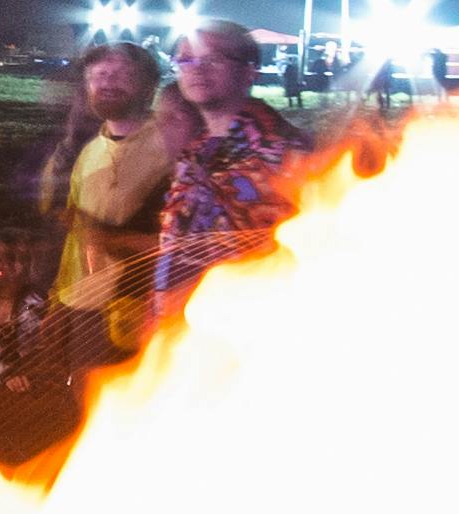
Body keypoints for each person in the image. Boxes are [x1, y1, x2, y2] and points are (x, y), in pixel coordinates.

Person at [146, 18, 306, 314]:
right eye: (186, 59)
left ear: (248, 71)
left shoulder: (286, 152)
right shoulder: (195, 151)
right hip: (182, 330)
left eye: (213, 59)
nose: (196, 68)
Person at [35, 40, 176, 363]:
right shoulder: (88, 152)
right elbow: (74, 237)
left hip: (144, 308)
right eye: (98, 75)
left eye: (123, 74)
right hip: (84, 310)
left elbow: (188, 238)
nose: (108, 82)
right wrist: (59, 303)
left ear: (149, 86)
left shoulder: (172, 148)